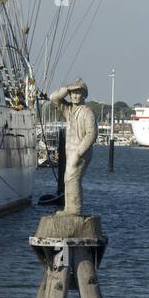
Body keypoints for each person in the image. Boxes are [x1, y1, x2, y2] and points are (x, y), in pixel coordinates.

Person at [50, 79, 97, 214]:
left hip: (81, 151)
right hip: (70, 152)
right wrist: (68, 88)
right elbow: (53, 98)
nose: (75, 96)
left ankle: (75, 210)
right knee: (68, 178)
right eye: (73, 93)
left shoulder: (87, 112)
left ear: (84, 94)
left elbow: (91, 134)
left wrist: (79, 153)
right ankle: (69, 209)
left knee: (72, 177)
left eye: (79, 92)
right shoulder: (68, 110)